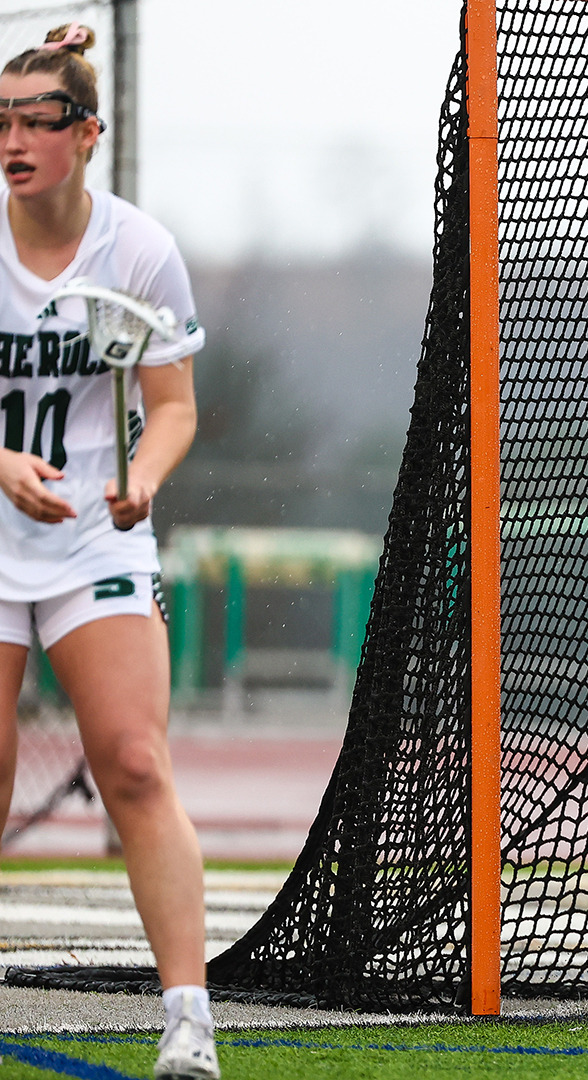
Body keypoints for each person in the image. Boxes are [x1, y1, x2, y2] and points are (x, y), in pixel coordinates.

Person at [0, 25, 216, 1080]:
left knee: (133, 762)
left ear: (87, 135)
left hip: (95, 541)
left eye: (39, 119)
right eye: (1, 118)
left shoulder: (137, 249)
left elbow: (171, 407)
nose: (15, 138)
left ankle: (188, 1018)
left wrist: (144, 482)